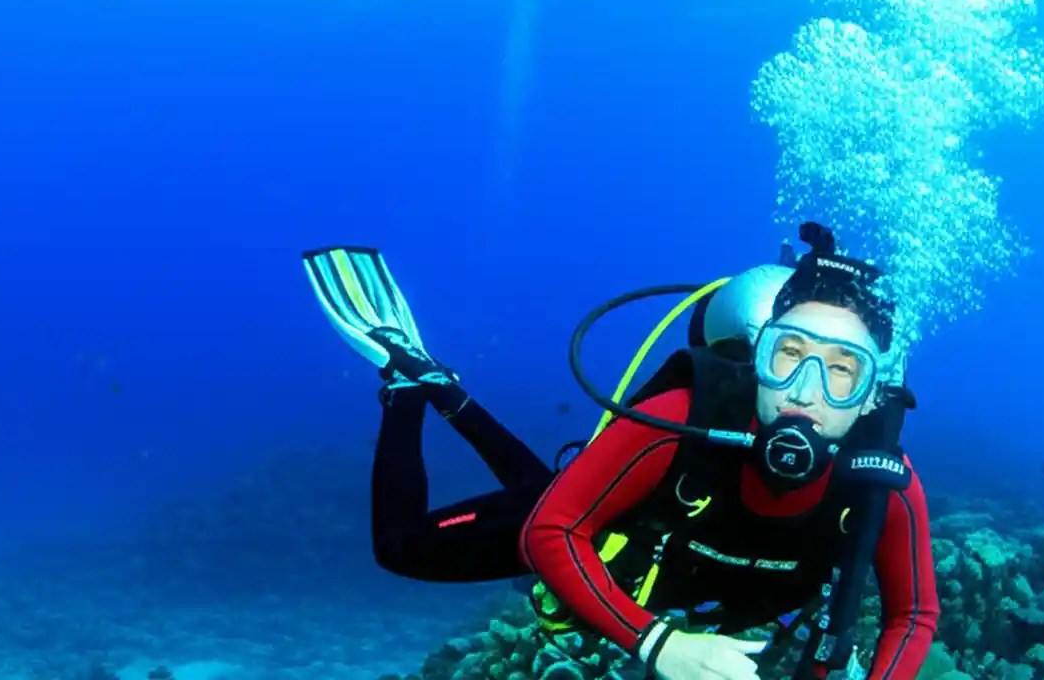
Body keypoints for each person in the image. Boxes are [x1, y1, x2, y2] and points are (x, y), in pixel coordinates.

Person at [300, 224, 938, 680]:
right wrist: (658, 645)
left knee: (562, 484)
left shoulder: (882, 483)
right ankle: (412, 388)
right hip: (622, 534)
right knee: (401, 546)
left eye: (841, 371)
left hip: (642, 543)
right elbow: (553, 528)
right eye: (789, 355)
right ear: (760, 355)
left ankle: (450, 394)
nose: (806, 393)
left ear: (871, 396)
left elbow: (912, 612)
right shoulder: (683, 420)